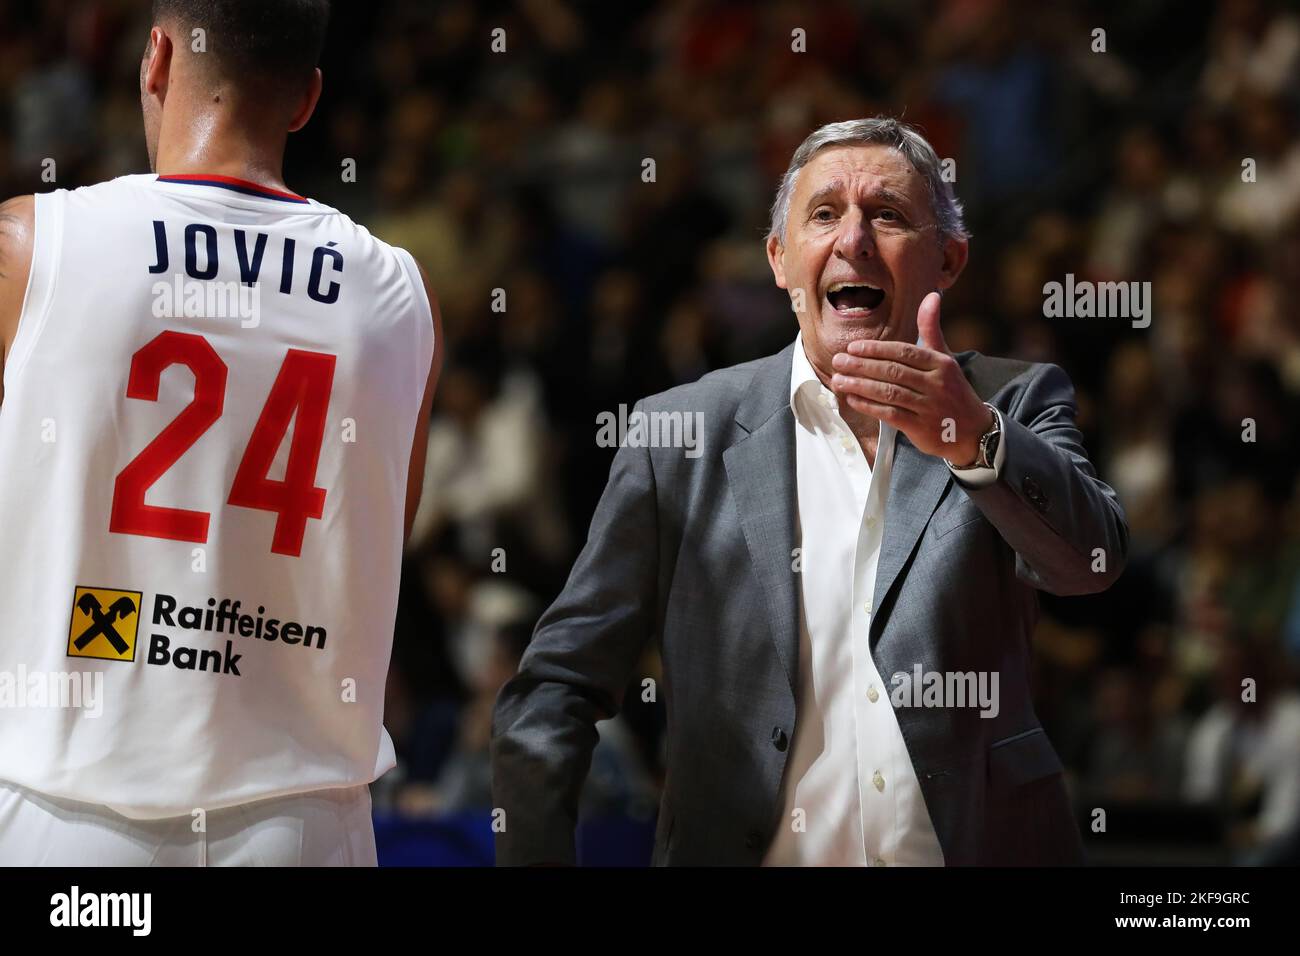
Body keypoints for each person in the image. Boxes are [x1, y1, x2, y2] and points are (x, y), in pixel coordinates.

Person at [491, 117, 1128, 866]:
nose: (852, 239)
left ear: (949, 260)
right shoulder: (679, 435)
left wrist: (973, 437)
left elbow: (1091, 563)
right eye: (823, 214)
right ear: (780, 260)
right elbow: (557, 686)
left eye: (887, 215)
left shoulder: (1010, 401)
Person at [0, 0, 442, 865]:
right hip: (304, 821)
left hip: (67, 814)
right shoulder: (398, 297)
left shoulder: (28, 245)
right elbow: (383, 537)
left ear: (156, 58)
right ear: (308, 99)